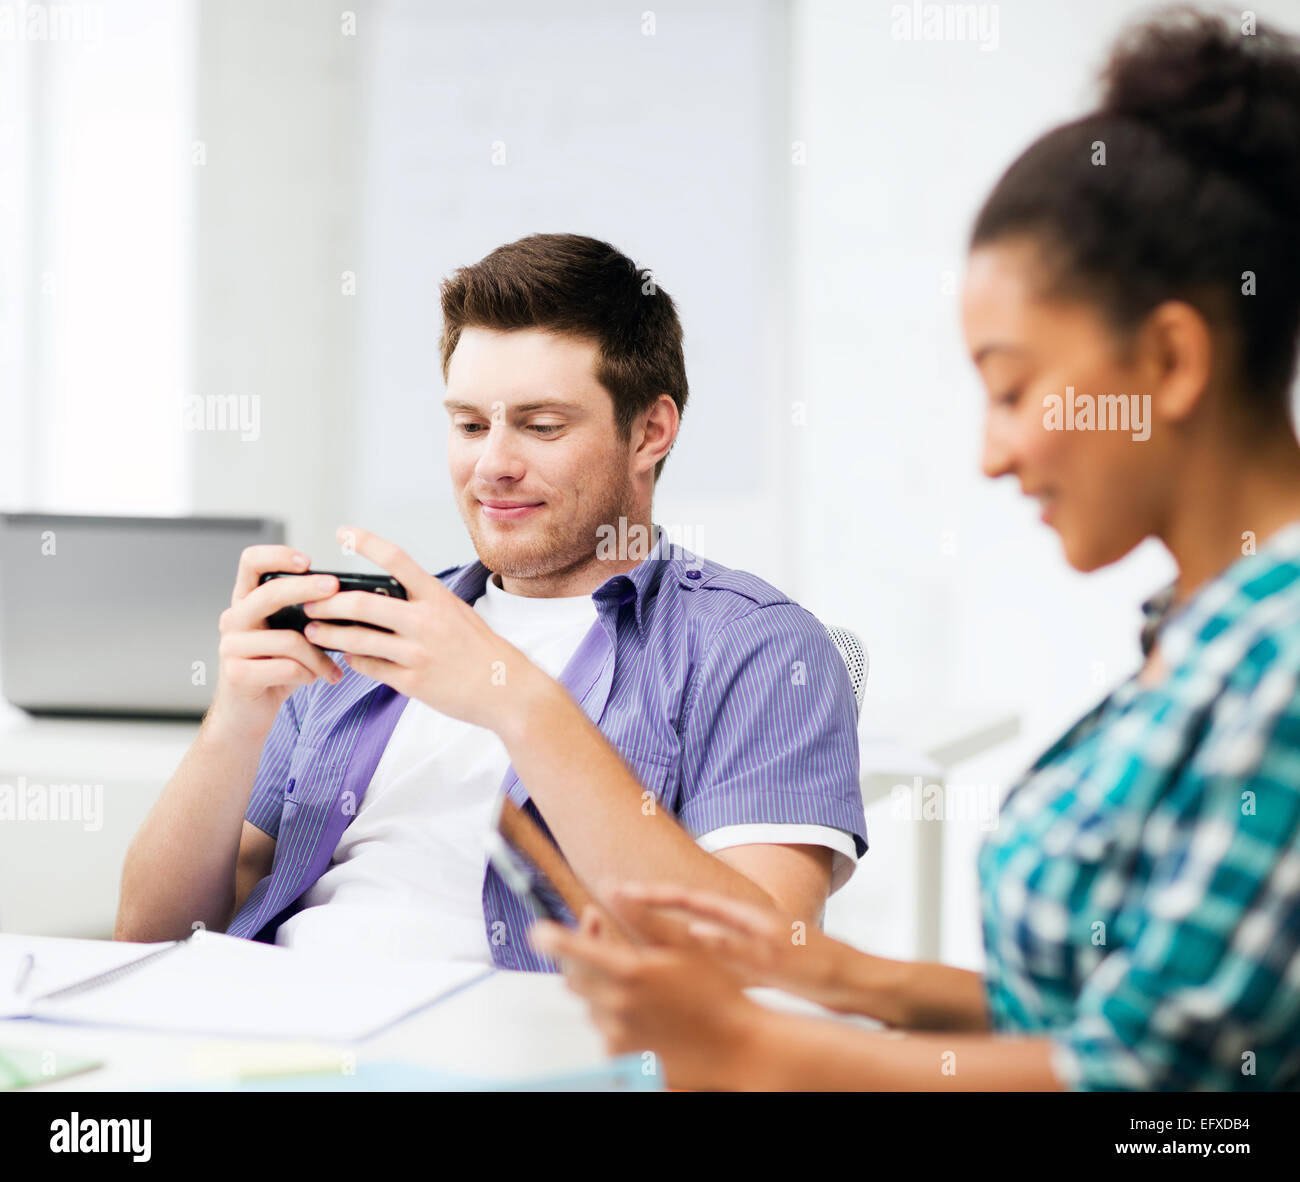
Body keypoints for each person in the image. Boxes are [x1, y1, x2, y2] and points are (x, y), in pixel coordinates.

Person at [533, 10, 1300, 1088]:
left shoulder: (1278, 662)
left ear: (1169, 360)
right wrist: (844, 977)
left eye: (1013, 387)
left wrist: (753, 1047)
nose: (992, 454)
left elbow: (1149, 1094)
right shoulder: (1200, 634)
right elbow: (1114, 1000)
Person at [115, 233, 868, 972]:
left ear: (651, 432)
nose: (493, 465)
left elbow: (771, 959)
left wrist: (514, 703)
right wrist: (237, 720)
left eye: (542, 427)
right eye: (470, 425)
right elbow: (148, 937)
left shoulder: (758, 648)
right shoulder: (371, 633)